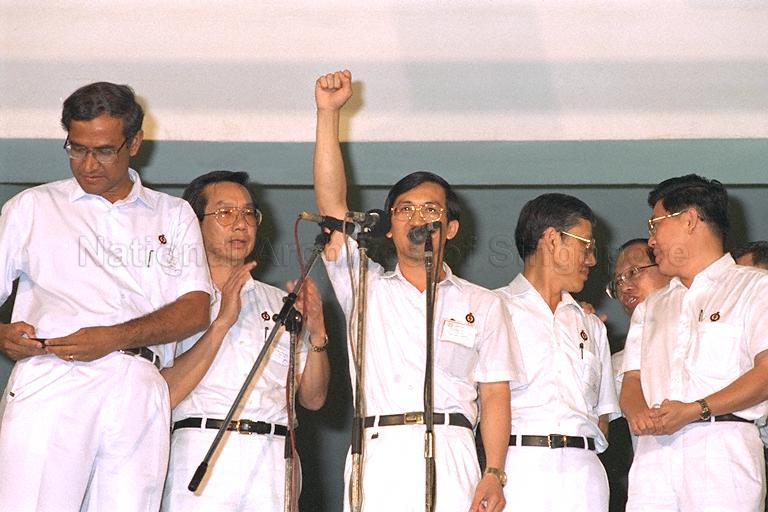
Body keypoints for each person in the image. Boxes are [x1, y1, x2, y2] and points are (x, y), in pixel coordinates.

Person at [313, 70, 525, 512]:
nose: (416, 217)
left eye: (430, 209)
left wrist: (494, 472)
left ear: (450, 227)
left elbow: (494, 393)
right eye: (404, 209)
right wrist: (328, 114)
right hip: (378, 449)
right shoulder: (365, 288)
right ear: (389, 228)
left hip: (454, 452)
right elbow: (333, 209)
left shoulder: (481, 303)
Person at [0, 82, 211, 511]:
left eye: (104, 151)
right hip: (53, 376)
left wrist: (113, 337)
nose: (88, 164)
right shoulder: (32, 207)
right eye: (76, 149)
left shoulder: (173, 213)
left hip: (140, 385)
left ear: (135, 143)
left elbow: (195, 310)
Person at [161, 170, 331, 511]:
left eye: (249, 213)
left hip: (275, 455)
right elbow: (162, 394)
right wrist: (222, 322)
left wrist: (318, 333)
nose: (241, 224)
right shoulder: (171, 300)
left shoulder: (279, 302)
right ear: (194, 223)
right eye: (225, 213)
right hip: (200, 448)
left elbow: (313, 399)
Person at [620, 174, 768, 512]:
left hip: (722, 452)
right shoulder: (651, 307)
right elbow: (631, 378)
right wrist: (637, 413)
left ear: (689, 219)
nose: (651, 239)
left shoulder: (755, 288)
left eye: (655, 224)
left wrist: (695, 409)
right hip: (653, 456)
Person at [495, 193, 620, 512]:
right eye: (586, 245)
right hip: (518, 469)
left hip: (585, 474)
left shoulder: (591, 325)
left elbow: (603, 415)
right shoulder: (492, 310)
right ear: (551, 239)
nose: (591, 260)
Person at [603, 238, 670, 511]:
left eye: (633, 272)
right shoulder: (618, 364)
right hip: (653, 490)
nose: (624, 288)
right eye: (617, 283)